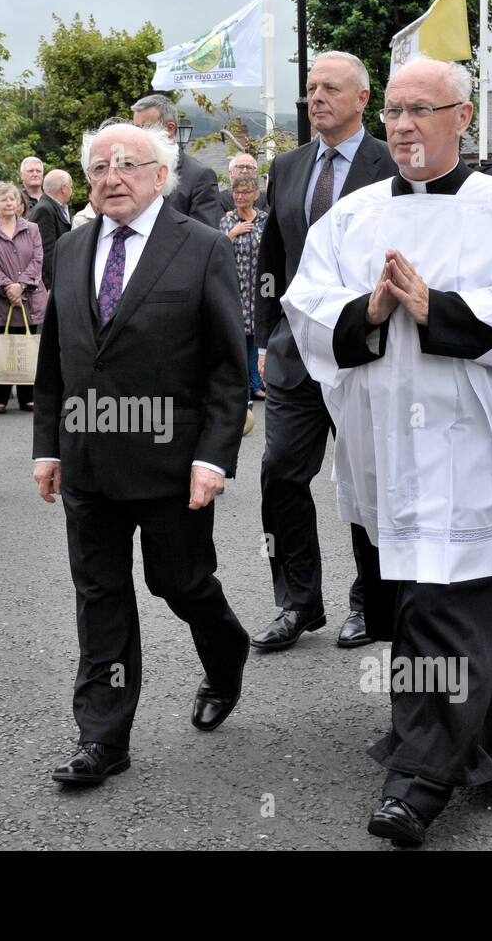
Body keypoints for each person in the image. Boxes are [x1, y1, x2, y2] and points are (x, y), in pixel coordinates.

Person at [282, 57, 492, 846]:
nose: (403, 125)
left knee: (448, 602)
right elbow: (307, 310)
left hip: (472, 449)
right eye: (396, 112)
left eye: (421, 109)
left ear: (462, 117)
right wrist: (367, 310)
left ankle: (417, 778)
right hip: (386, 449)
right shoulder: (351, 216)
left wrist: (436, 307)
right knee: (456, 595)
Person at [33, 121, 249, 786]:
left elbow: (226, 369)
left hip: (169, 461)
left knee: (178, 581)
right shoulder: (69, 249)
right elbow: (55, 360)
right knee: (99, 592)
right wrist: (47, 445)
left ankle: (225, 649)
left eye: (128, 164)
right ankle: (102, 736)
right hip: (89, 459)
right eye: (99, 166)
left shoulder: (202, 248)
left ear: (161, 176)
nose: (111, 177)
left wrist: (213, 458)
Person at [253, 50, 395, 653]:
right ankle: (298, 602)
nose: (316, 98)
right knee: (281, 472)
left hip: (365, 348)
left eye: (330, 89)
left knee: (368, 480)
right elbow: (272, 258)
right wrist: (264, 338)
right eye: (311, 88)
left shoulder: (390, 163)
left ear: (362, 98)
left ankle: (370, 601)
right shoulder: (286, 167)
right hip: (294, 350)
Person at [0, 180, 46, 414]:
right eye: (3, 199)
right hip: (0, 300)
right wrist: (8, 287)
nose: (9, 203)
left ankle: (28, 396)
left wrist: (21, 286)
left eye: (12, 198)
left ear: (19, 203)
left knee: (27, 347)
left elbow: (38, 259)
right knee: (3, 347)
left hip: (30, 298)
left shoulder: (32, 228)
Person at [220, 172, 268, 427]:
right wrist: (233, 233)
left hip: (258, 286)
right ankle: (245, 392)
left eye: (245, 192)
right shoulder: (227, 221)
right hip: (236, 286)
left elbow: (272, 249)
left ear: (256, 195)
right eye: (236, 193)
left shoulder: (264, 220)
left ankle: (256, 385)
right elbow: (216, 250)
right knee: (239, 337)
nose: (239, 197)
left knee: (256, 337)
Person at [131, 94, 220, 226]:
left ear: (169, 129)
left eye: (145, 128)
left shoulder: (200, 177)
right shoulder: (130, 171)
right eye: (135, 129)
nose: (138, 135)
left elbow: (204, 240)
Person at [25, 169, 72, 292]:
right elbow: (46, 251)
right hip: (49, 284)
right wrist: (51, 284)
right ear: (63, 188)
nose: (72, 191)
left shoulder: (53, 207)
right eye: (71, 187)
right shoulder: (44, 210)